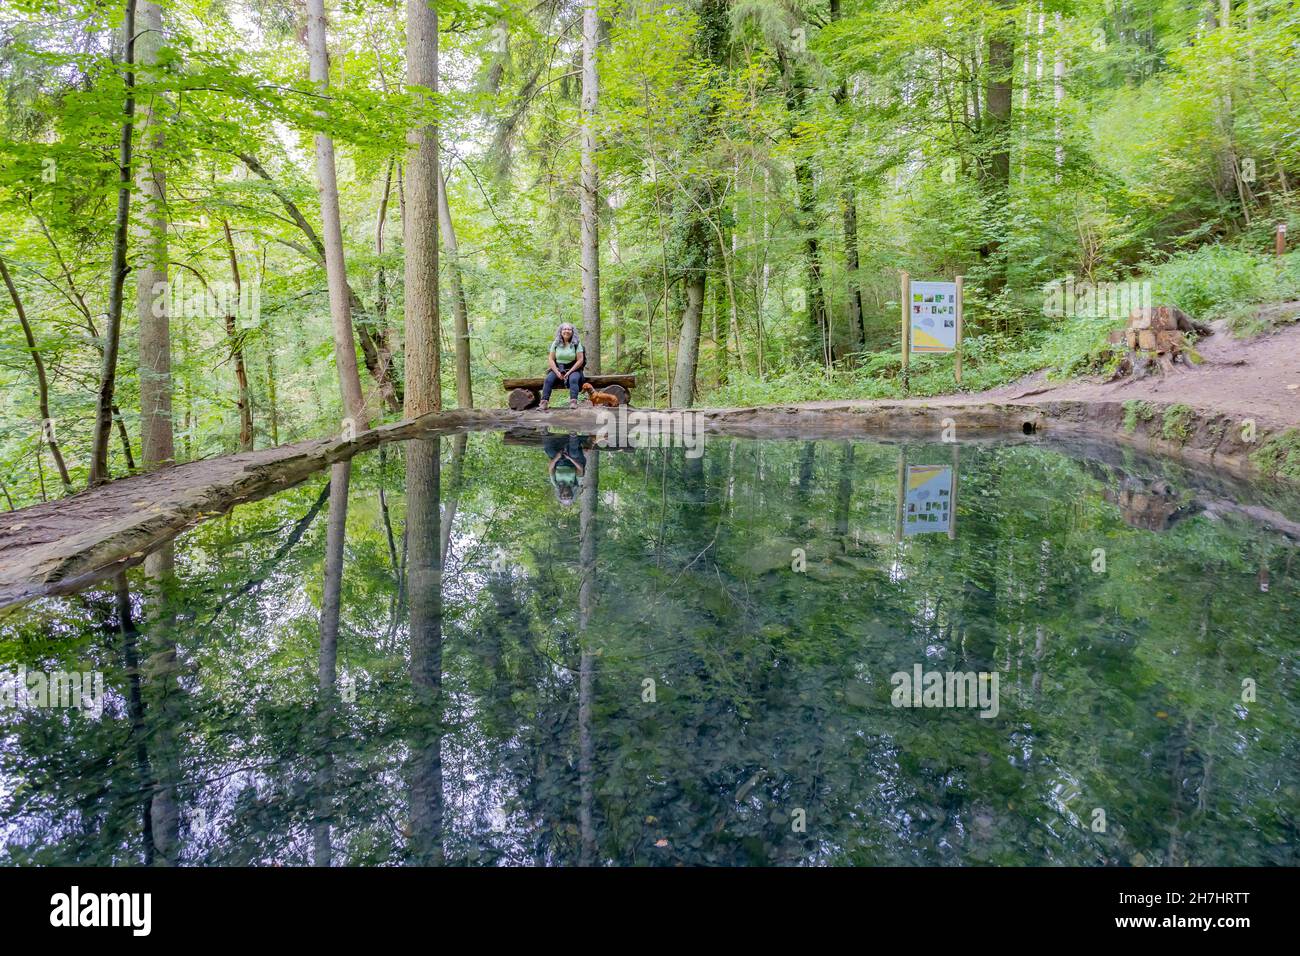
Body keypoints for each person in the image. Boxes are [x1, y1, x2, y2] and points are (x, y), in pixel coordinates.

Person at [540, 322, 585, 410]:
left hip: (574, 368)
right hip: (558, 368)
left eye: (569, 329)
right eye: (564, 329)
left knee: (573, 379)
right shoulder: (555, 343)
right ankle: (543, 403)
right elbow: (551, 359)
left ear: (572, 332)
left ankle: (573, 402)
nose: (567, 331)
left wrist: (569, 372)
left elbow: (580, 360)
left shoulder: (576, 344)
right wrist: (557, 372)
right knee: (548, 379)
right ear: (560, 331)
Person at [543, 433, 586, 506]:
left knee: (549, 451)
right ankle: (573, 436)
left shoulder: (556, 483)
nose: (566, 494)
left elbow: (550, 468)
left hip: (559, 462)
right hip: (573, 462)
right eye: (568, 496)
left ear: (560, 494)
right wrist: (569, 458)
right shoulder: (576, 483)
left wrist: (557, 457)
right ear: (572, 494)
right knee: (574, 454)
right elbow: (580, 468)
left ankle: (545, 433)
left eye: (564, 496)